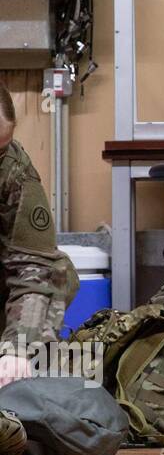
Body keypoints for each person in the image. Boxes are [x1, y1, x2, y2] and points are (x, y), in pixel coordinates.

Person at [0, 82, 79, 386]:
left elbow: (35, 265)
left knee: (58, 273)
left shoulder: (14, 170)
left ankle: (22, 375)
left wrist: (17, 348)